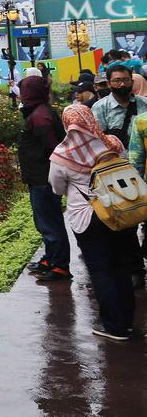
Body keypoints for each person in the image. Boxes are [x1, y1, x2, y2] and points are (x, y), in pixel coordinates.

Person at [49, 104, 139, 341]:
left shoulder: (62, 154)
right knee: (120, 266)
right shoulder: (112, 143)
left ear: (67, 124)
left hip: (87, 216)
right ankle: (127, 322)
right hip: (119, 210)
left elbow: (56, 187)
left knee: (101, 270)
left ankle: (114, 326)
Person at [17, 76, 70, 282]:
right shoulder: (38, 112)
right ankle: (51, 258)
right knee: (46, 221)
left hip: (44, 179)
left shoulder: (41, 117)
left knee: (49, 222)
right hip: (39, 177)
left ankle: (59, 266)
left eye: (24, 91)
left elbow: (52, 148)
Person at [92, 64, 147, 149]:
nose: (122, 84)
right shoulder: (100, 107)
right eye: (117, 80)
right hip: (117, 159)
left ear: (132, 82)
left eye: (126, 80)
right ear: (108, 83)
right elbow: (98, 139)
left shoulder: (144, 103)